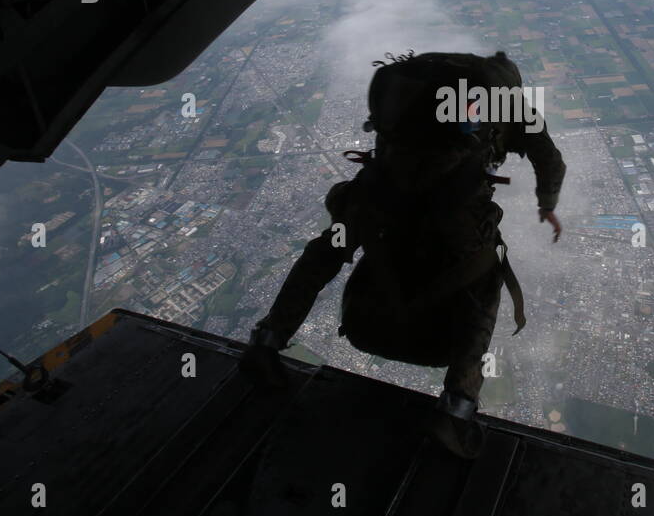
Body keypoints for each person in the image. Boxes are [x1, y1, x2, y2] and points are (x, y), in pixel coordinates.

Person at [240, 50, 565, 458]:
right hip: (456, 206)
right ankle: (455, 411)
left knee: (325, 253)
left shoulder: (417, 80)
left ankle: (266, 342)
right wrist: (547, 204)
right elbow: (549, 158)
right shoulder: (507, 102)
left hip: (376, 193)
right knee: (483, 280)